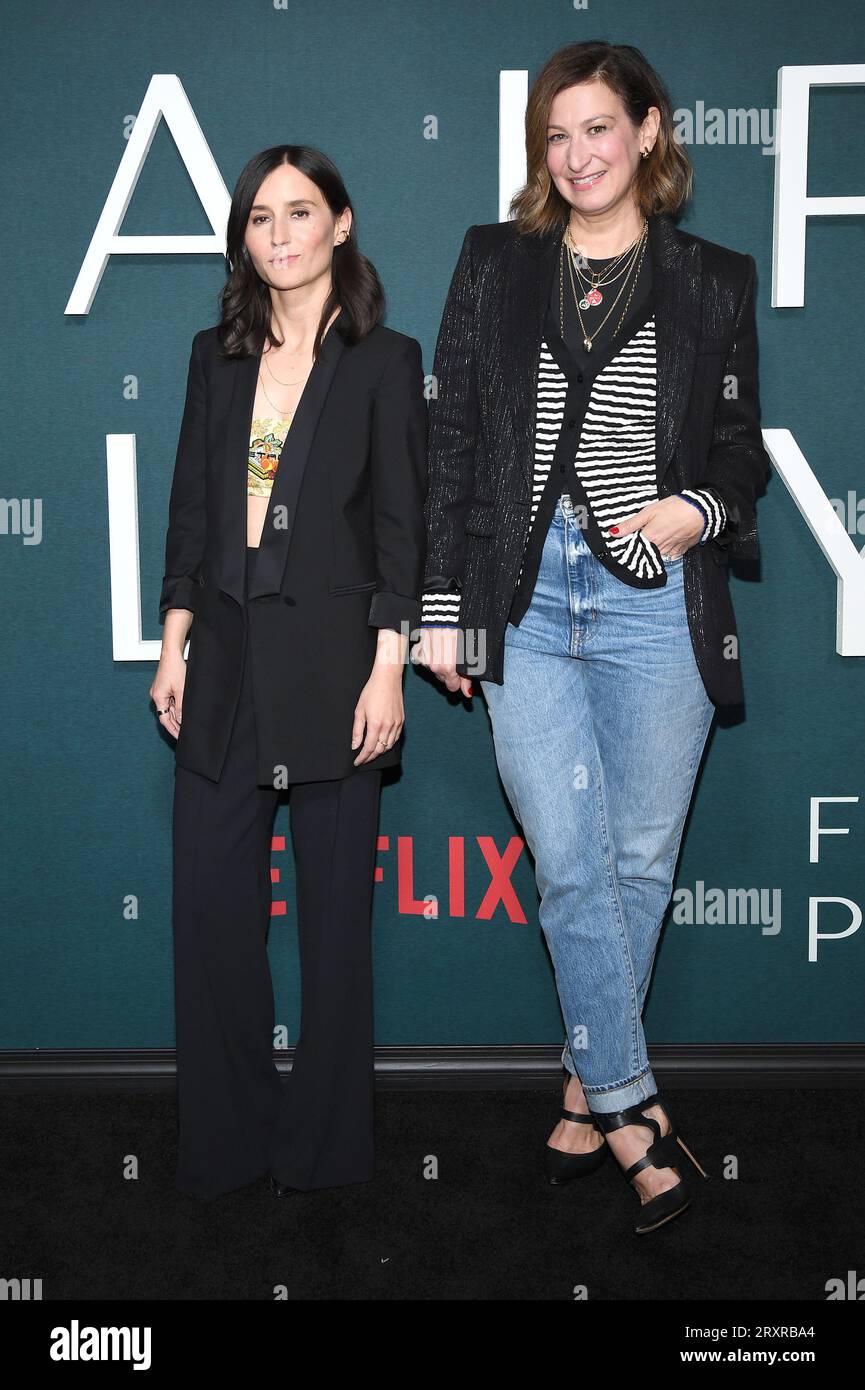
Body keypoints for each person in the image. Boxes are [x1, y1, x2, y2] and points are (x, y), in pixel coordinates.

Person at [415, 41, 770, 1233]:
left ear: (651, 132)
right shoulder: (495, 265)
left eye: (598, 130)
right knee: (568, 857)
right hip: (526, 595)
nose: (576, 156)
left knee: (635, 865)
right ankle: (633, 1112)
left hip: (652, 597)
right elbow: (454, 435)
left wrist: (688, 515)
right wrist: (439, 607)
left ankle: (580, 1087)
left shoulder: (715, 279)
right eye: (556, 136)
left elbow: (738, 461)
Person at [149, 144, 427, 1201]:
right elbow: (188, 513)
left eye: (298, 212)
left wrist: (388, 666)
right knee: (209, 918)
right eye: (258, 216)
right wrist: (173, 643)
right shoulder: (210, 358)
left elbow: (404, 530)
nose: (277, 233)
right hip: (220, 674)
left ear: (341, 226)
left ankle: (324, 1156)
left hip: (339, 678)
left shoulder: (383, 361)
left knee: (333, 939)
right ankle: (226, 1146)